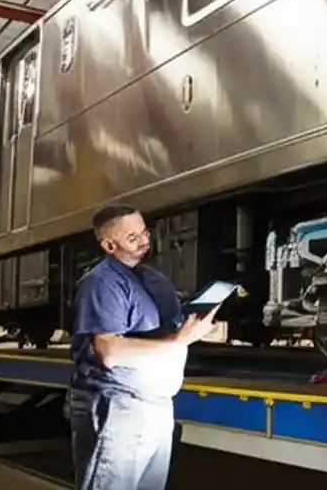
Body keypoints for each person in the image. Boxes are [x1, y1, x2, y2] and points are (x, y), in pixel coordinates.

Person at [67, 204, 219, 490]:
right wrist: (179, 340)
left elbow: (164, 331)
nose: (144, 240)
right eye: (132, 237)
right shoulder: (102, 284)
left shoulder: (154, 279)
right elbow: (109, 351)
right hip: (118, 406)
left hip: (156, 405)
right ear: (109, 245)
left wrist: (193, 322)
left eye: (144, 232)